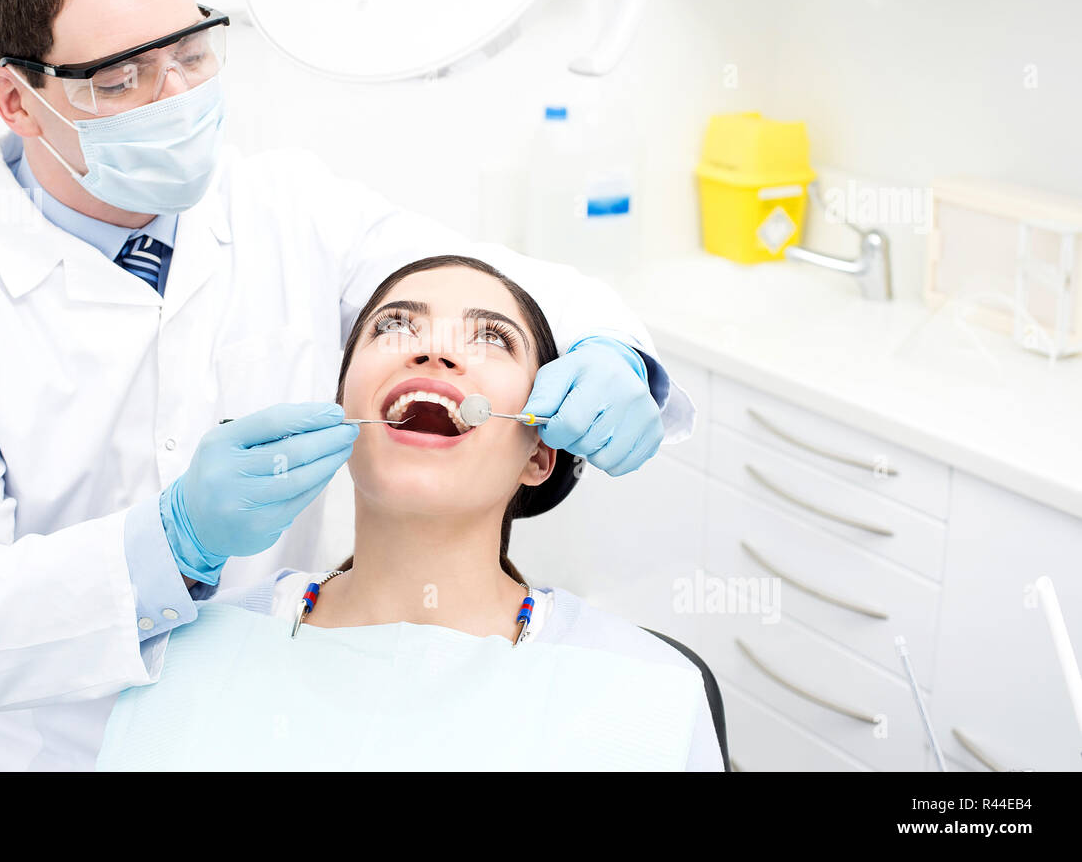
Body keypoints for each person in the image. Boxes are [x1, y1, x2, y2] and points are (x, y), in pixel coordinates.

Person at [0, 0, 695, 771]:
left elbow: (478, 288)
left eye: (191, 52)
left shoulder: (291, 211)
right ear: (16, 99)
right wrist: (170, 542)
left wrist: (613, 352)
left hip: (241, 729)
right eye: (121, 78)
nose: (175, 95)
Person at [96, 255, 724, 771]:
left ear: (539, 455)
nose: (435, 354)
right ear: (340, 411)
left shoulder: (644, 697)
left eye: (491, 337)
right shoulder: (180, 663)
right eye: (395, 327)